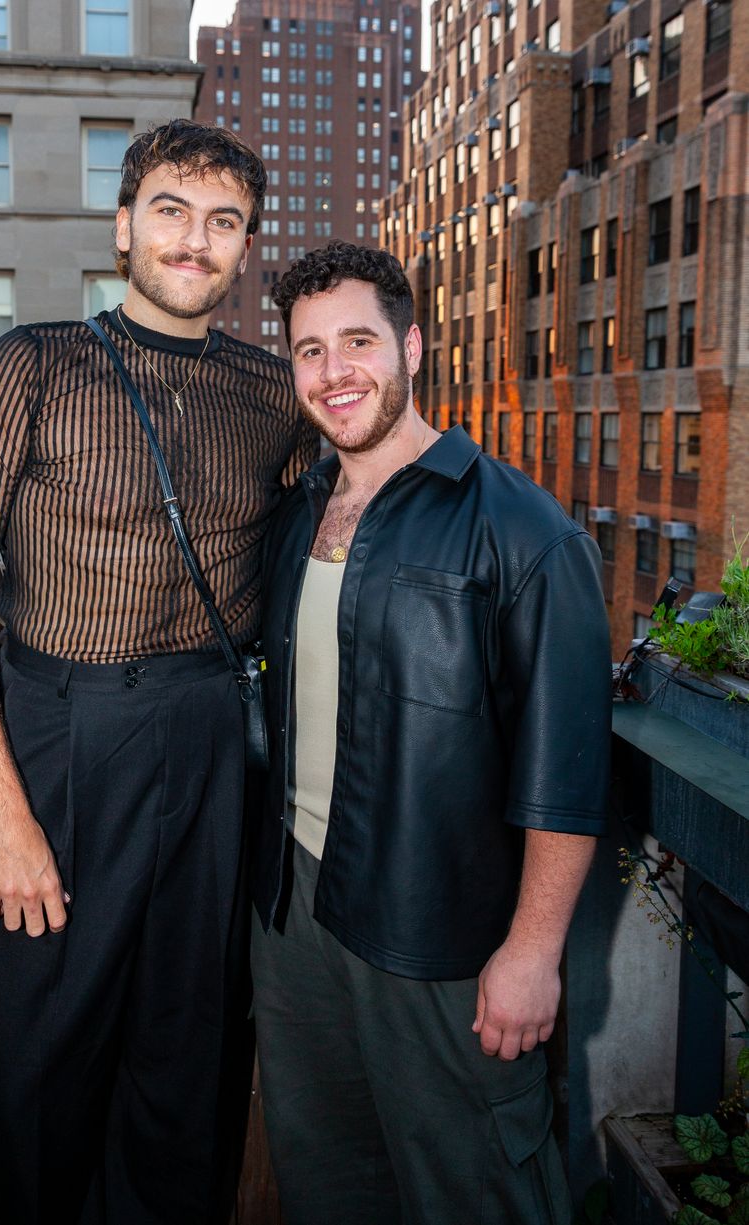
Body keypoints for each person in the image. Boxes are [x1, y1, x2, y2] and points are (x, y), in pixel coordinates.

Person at [0, 120, 318, 1225]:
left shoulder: (273, 394)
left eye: (223, 221)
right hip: (58, 739)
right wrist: (3, 812)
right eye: (172, 212)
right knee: (45, 1064)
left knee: (189, 1067)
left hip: (208, 747)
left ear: (244, 248)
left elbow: (328, 538)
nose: (195, 240)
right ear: (123, 223)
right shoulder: (33, 367)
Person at [250, 242, 611, 1225]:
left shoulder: (523, 531)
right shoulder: (296, 518)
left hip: (440, 933)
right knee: (329, 1181)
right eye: (309, 351)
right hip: (296, 917)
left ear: (409, 345)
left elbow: (569, 774)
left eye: (357, 340)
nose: (334, 373)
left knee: (474, 1192)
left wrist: (530, 952)